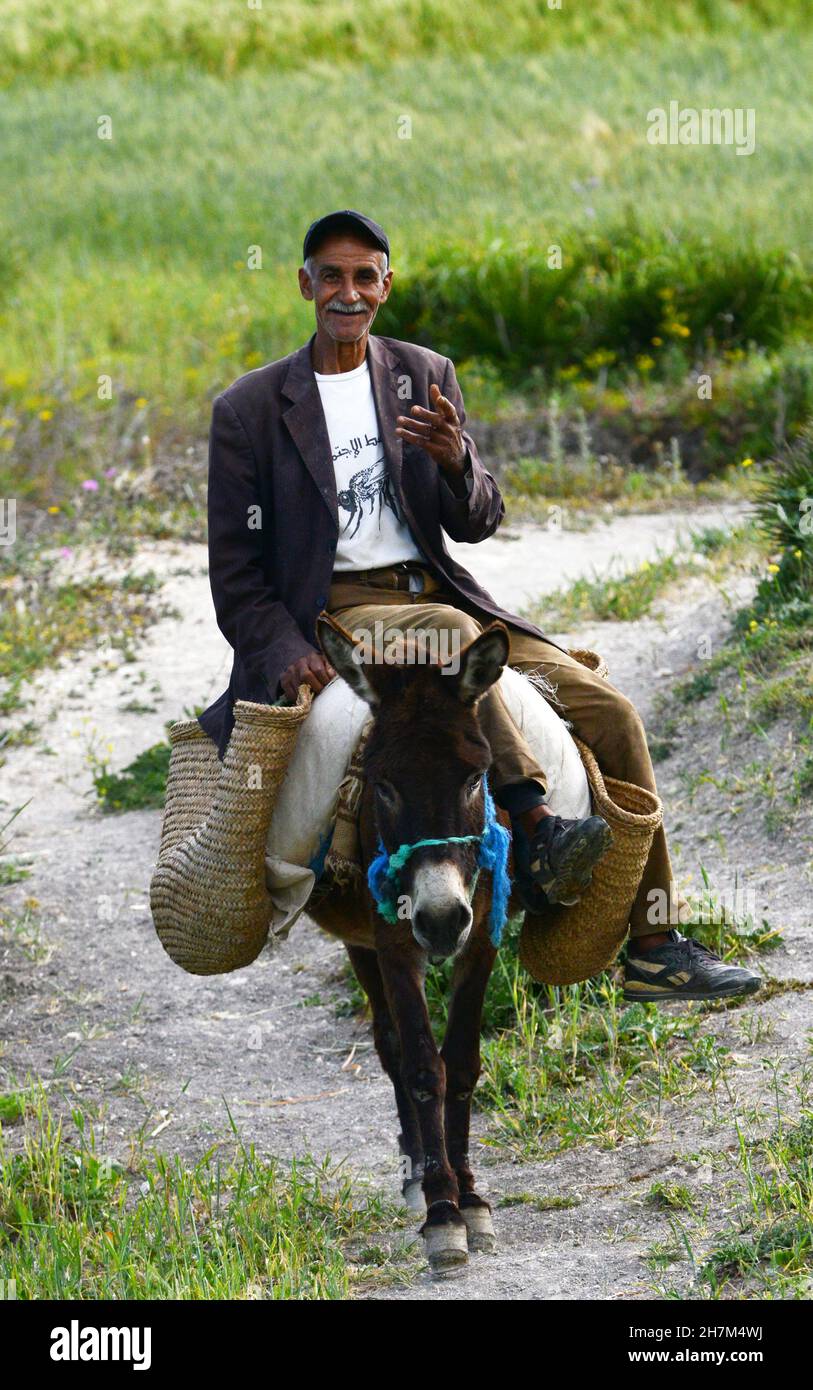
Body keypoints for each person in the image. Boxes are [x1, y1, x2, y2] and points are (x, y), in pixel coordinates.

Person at [200, 209, 760, 1004]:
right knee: (458, 637)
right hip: (344, 610)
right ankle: (533, 826)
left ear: (386, 286)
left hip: (441, 594)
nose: (348, 292)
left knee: (613, 713)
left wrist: (456, 462)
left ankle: (654, 944)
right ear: (304, 285)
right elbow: (236, 575)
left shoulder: (425, 373)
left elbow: (479, 521)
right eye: (331, 276)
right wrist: (285, 647)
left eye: (365, 277)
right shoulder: (251, 409)